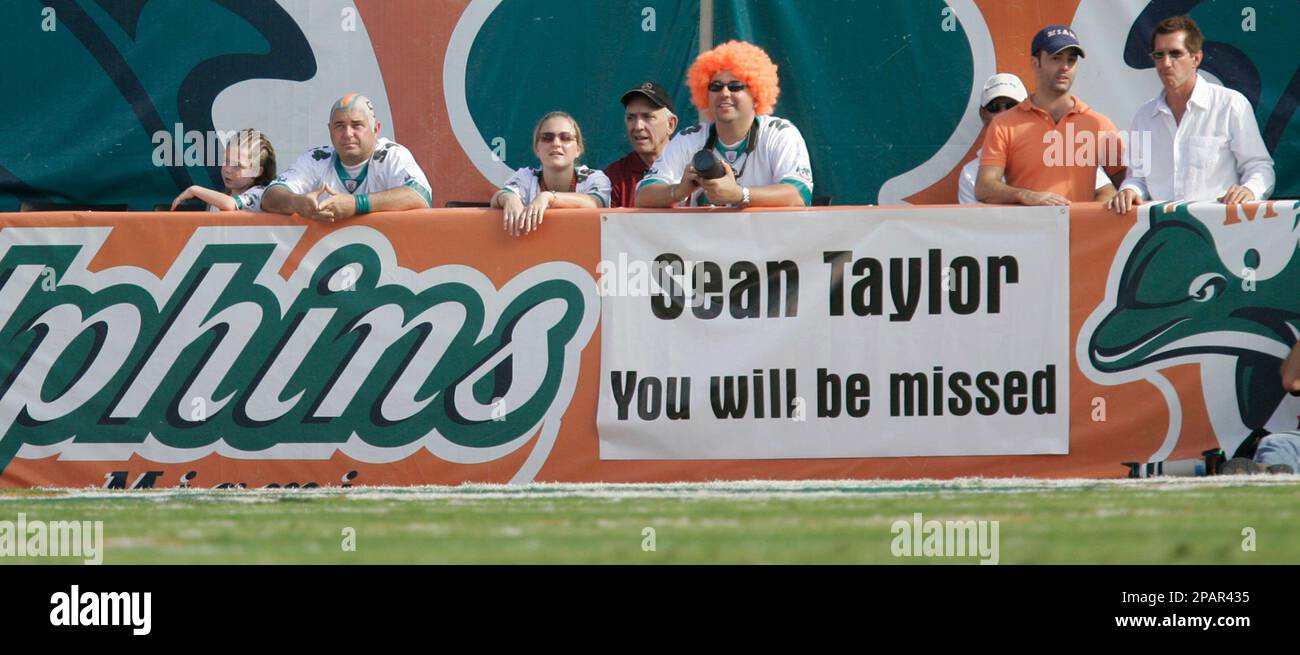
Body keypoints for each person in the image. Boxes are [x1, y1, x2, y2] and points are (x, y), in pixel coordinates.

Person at [1108, 15, 1274, 215]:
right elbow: (1137, 178)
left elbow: (1259, 167)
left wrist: (1249, 190)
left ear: (1196, 58)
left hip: (1223, 234)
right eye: (1159, 55)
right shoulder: (1144, 116)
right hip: (1161, 232)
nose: (1166, 63)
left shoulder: (1230, 105)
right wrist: (1129, 190)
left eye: (1175, 54)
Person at [635, 40, 814, 208]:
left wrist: (740, 195)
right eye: (716, 86)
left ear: (756, 94)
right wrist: (678, 191)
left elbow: (799, 195)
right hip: (702, 240)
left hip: (765, 239)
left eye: (735, 86)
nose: (725, 93)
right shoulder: (689, 139)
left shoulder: (779, 133)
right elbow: (642, 196)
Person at [975, 25, 1123, 206]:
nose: (1065, 67)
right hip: (1027, 232)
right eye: (1056, 58)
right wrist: (1024, 195)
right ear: (1035, 63)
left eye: (1072, 59)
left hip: (1079, 233)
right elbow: (984, 187)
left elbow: (1128, 182)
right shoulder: (1004, 124)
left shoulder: (1097, 123)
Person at [262, 93, 432, 222]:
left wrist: (357, 204)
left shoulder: (391, 154)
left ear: (376, 129)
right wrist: (296, 202)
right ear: (330, 130)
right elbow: (270, 195)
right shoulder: (316, 158)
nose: (347, 134)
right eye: (339, 126)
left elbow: (419, 195)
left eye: (357, 125)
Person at [960, 74, 1110, 204]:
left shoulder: (1058, 151)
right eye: (994, 107)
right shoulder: (970, 174)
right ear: (983, 114)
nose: (1002, 114)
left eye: (1011, 106)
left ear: (1025, 109)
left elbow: (1107, 193)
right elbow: (979, 230)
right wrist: (1024, 196)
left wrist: (1079, 222)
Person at [490, 111, 611, 236]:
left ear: (578, 149)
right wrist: (509, 198)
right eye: (547, 138)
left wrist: (548, 197)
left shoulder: (594, 177)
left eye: (565, 138)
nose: (556, 143)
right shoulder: (526, 176)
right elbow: (497, 197)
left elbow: (594, 203)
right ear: (537, 148)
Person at [604, 82, 678, 208]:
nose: (638, 126)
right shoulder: (613, 178)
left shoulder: (693, 170)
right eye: (631, 118)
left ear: (670, 124)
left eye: (648, 117)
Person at [170, 129, 276, 211]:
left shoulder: (260, 194)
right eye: (226, 161)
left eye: (238, 165)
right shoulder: (216, 203)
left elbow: (230, 204)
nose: (228, 170)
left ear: (257, 171)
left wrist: (194, 190)